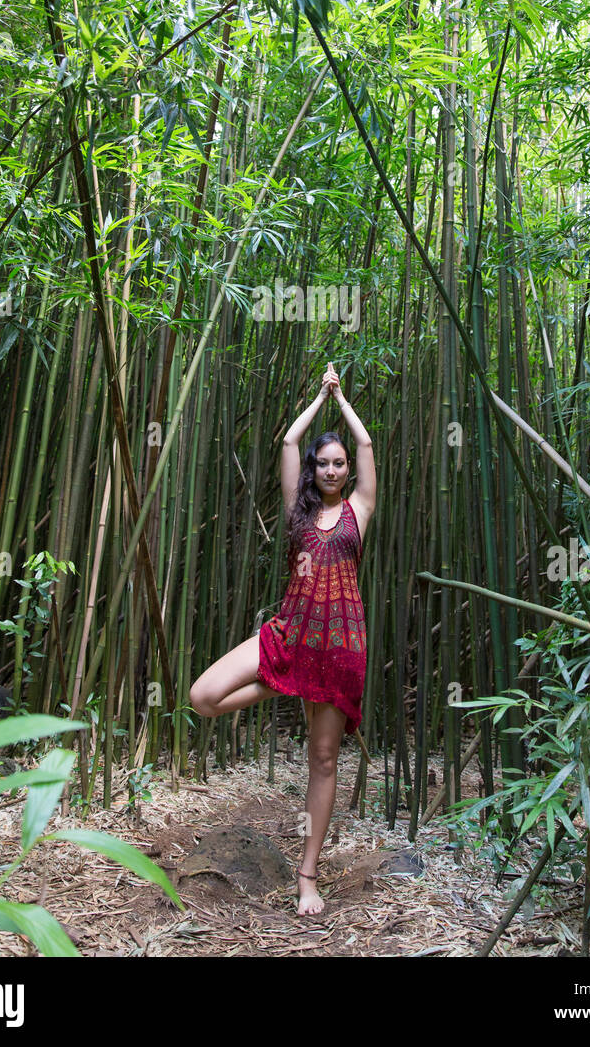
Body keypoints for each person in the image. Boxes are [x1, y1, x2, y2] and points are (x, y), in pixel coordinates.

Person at [189, 362, 376, 915]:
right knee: (204, 698)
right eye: (324, 463)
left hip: (341, 648)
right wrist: (319, 395)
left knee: (323, 760)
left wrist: (343, 401)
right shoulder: (298, 514)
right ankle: (281, 683)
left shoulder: (359, 512)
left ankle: (307, 876)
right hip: (290, 634)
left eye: (339, 464)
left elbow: (365, 440)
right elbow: (291, 438)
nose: (333, 470)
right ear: (313, 470)